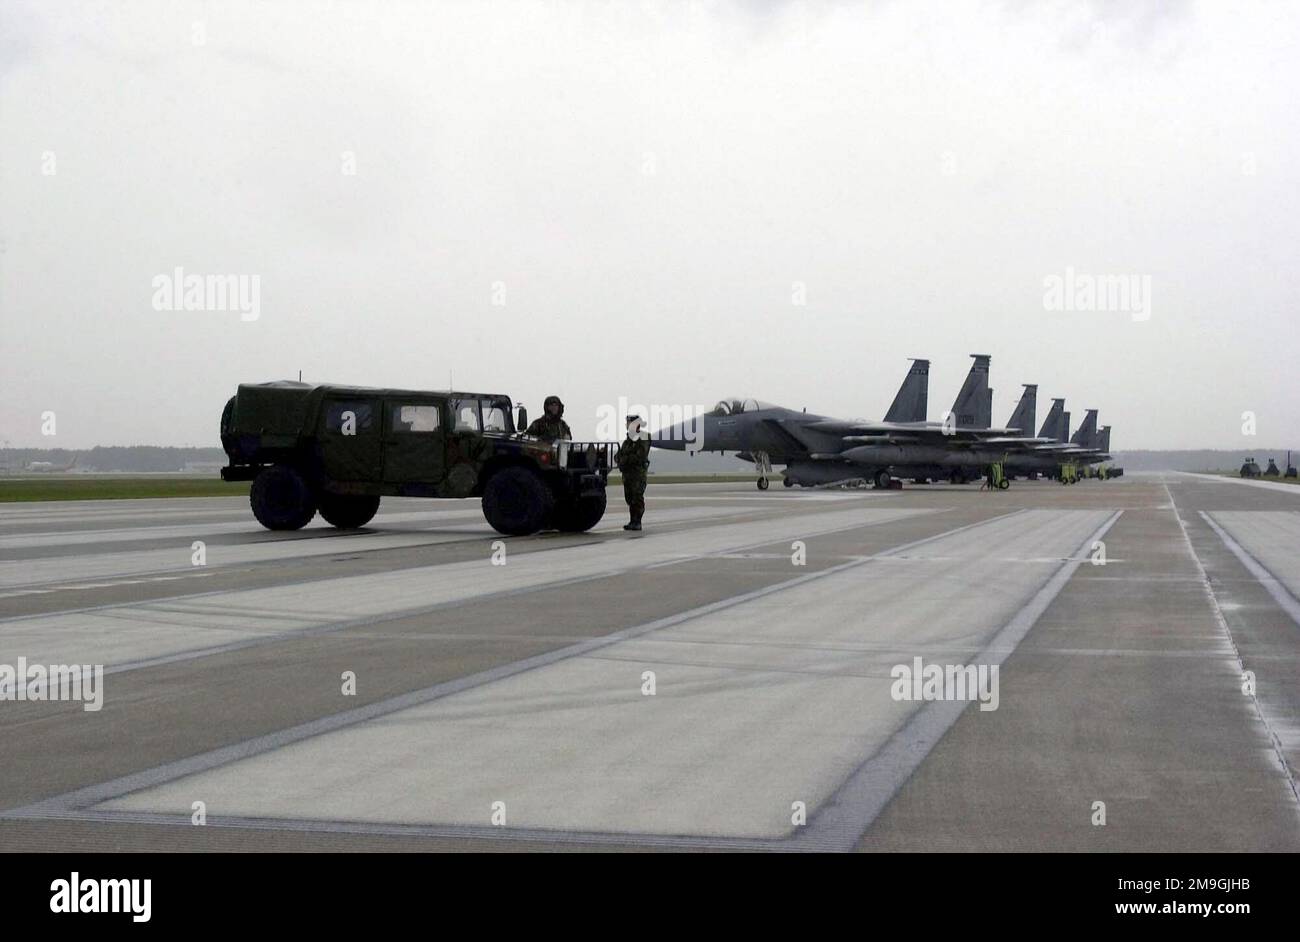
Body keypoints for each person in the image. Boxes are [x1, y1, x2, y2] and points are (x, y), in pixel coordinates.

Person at [615, 414, 651, 531]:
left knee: (637, 497)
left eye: (630, 423)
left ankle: (637, 522)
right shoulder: (628, 440)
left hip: (637, 474)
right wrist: (620, 460)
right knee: (629, 498)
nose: (627, 425)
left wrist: (625, 459)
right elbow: (618, 455)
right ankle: (632, 521)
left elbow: (640, 455)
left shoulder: (644, 437)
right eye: (627, 423)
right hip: (627, 474)